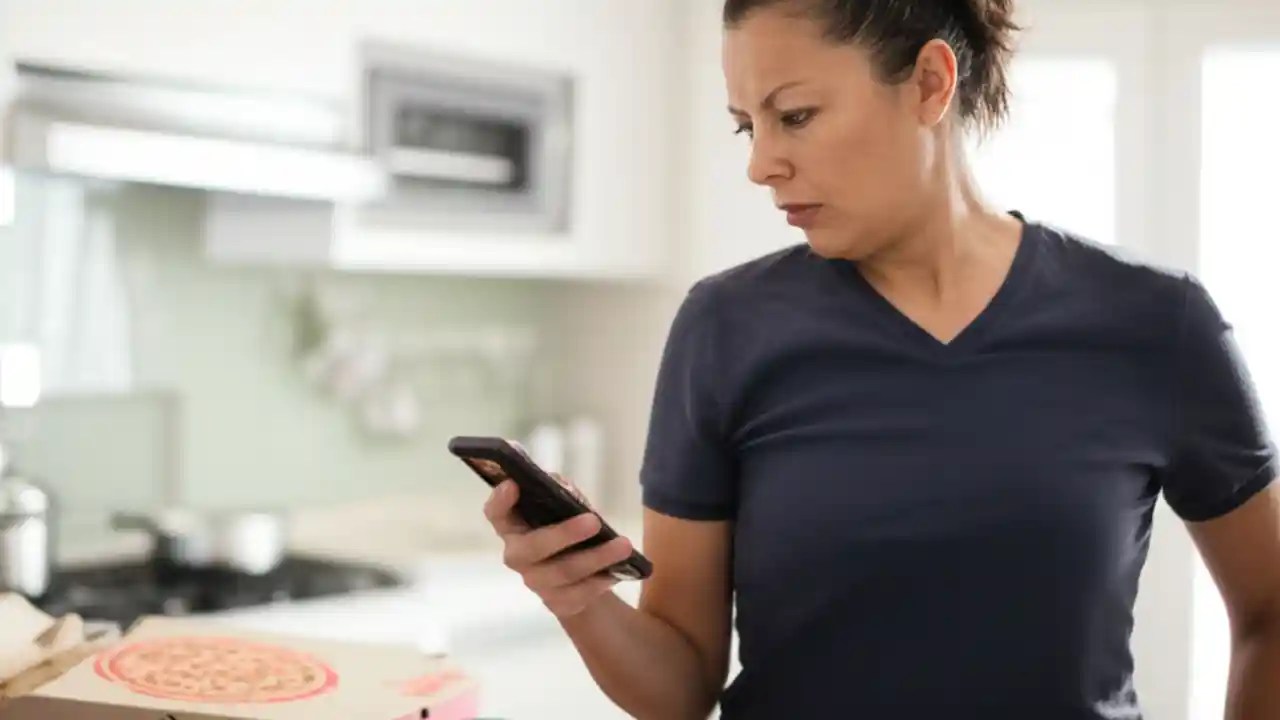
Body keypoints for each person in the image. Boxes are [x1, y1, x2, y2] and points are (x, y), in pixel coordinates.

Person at [481, 0, 1280, 717]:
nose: (760, 163)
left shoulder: (1154, 323)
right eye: (744, 125)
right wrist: (578, 600)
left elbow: (1271, 612)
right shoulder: (725, 328)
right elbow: (681, 686)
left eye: (793, 116)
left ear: (931, 84)